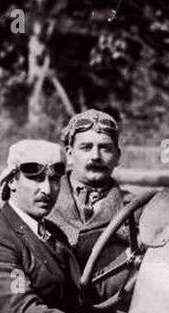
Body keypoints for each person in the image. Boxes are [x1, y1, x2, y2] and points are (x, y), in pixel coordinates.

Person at [0, 139, 104, 313]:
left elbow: (79, 290)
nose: (47, 190)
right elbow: (24, 312)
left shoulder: (52, 231)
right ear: (12, 181)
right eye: (36, 179)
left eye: (54, 180)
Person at [54, 109, 133, 299]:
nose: (96, 156)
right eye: (86, 147)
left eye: (105, 148)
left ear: (118, 156)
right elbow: (13, 223)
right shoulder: (43, 197)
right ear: (70, 154)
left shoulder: (136, 208)